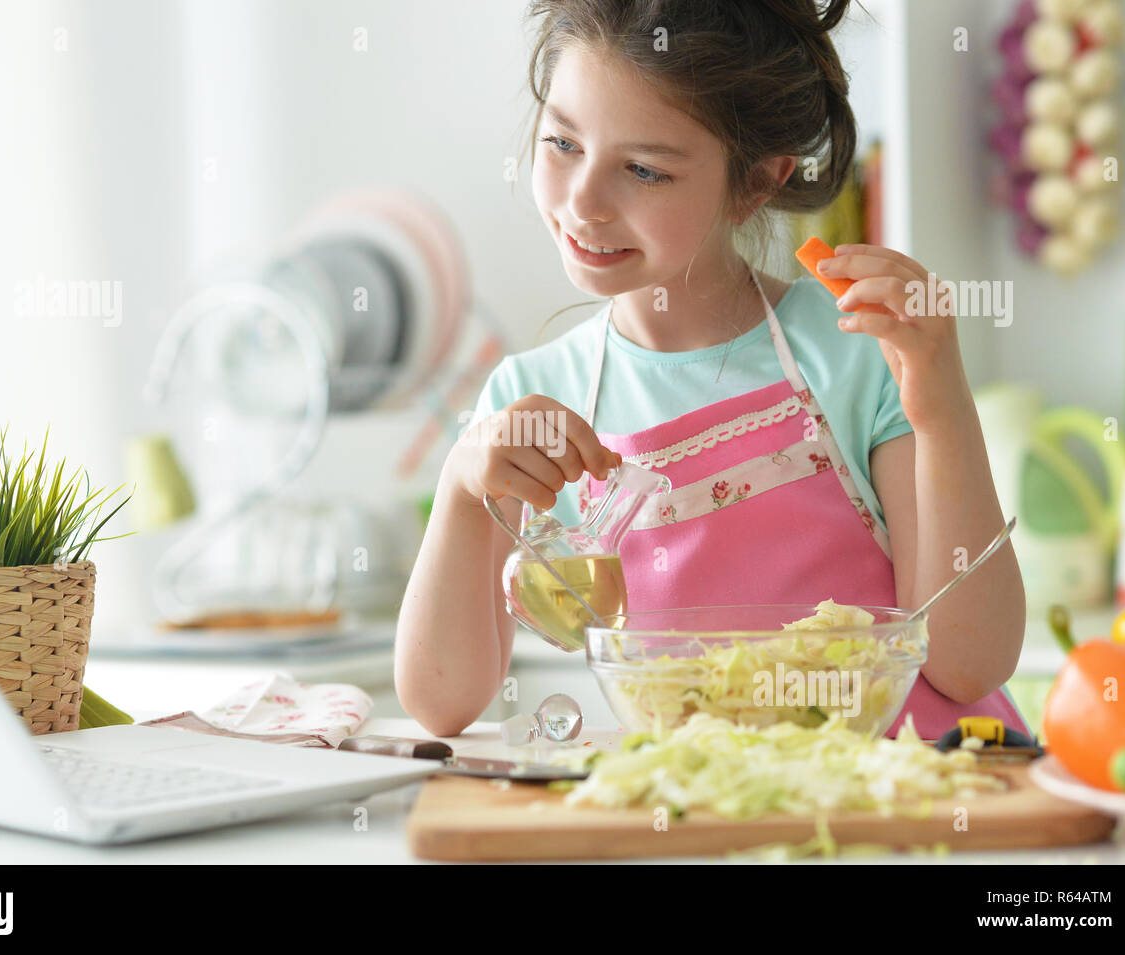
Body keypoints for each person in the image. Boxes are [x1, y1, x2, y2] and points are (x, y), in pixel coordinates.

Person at [396, 0, 1027, 740]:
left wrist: (941, 400)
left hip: (910, 800)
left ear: (757, 183)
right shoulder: (530, 407)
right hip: (710, 813)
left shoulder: (860, 350)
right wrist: (464, 488)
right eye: (562, 142)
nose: (583, 201)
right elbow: (442, 703)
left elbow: (970, 662)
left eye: (643, 169)